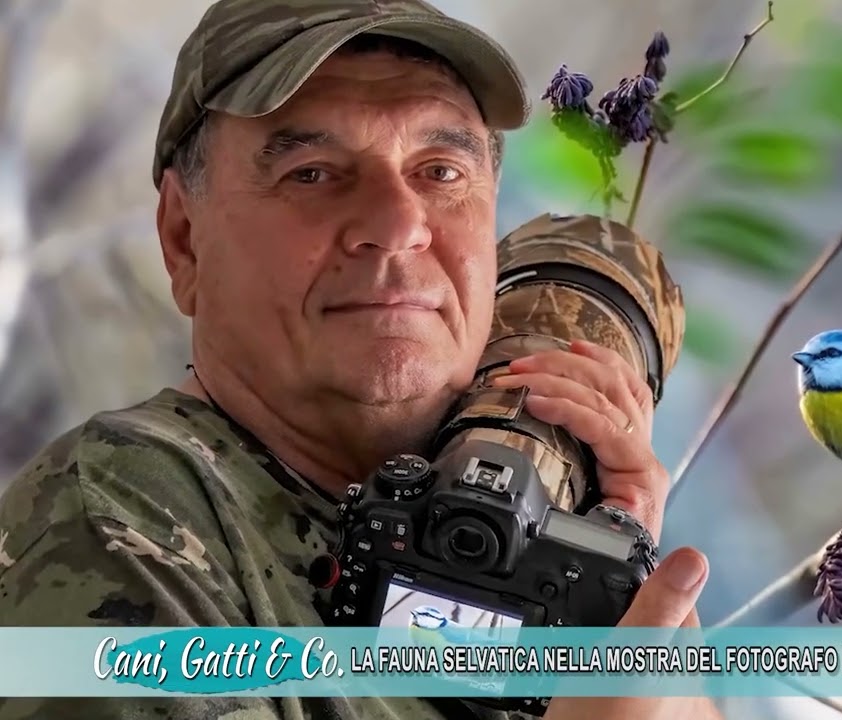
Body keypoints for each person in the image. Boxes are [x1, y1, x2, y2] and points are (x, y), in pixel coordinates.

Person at [0, 1, 722, 719]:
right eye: (312, 173)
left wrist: (608, 575)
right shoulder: (120, 513)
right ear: (185, 239)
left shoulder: (523, 535)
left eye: (440, 172)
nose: (399, 224)